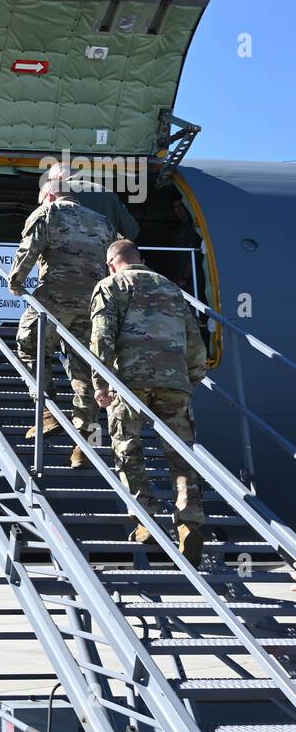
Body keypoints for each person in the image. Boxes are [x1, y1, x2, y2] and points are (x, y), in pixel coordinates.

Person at [90, 239, 208, 566]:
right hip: (174, 380)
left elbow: (101, 337)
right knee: (181, 453)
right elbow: (195, 340)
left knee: (127, 444)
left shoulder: (110, 285)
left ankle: (146, 518)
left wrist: (100, 383)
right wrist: (192, 376)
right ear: (140, 258)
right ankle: (189, 521)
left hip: (130, 382)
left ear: (111, 263)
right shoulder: (171, 288)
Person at [8, 178, 115, 467]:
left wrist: (16, 282)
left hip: (55, 298)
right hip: (93, 303)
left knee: (29, 346)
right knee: (84, 371)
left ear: (51, 195)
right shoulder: (103, 222)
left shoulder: (48, 212)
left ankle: (47, 411)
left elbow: (29, 248)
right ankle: (84, 444)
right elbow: (112, 263)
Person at [45, 162, 140, 239]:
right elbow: (132, 231)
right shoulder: (109, 194)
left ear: (59, 177)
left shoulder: (54, 192)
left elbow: (42, 227)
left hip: (63, 258)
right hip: (102, 258)